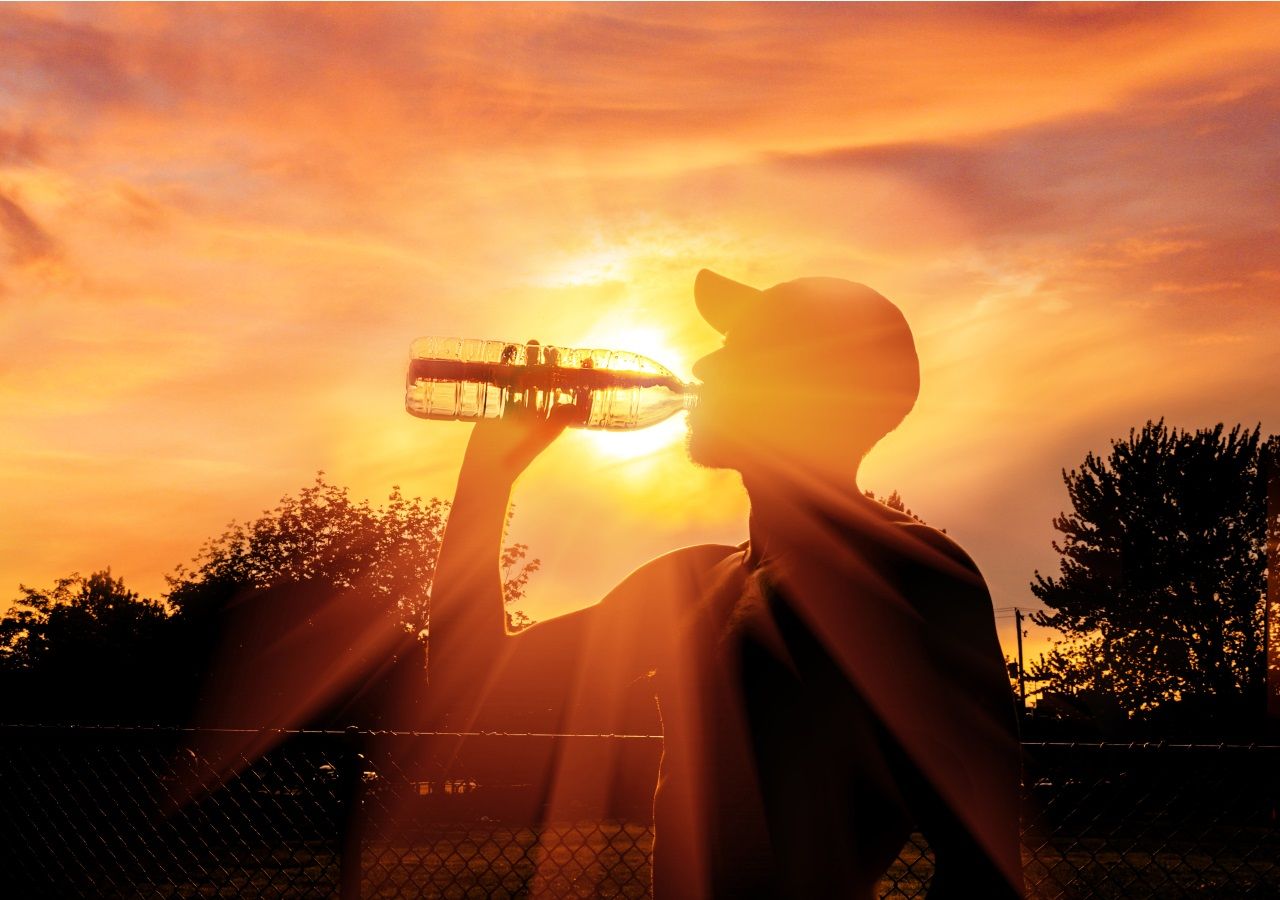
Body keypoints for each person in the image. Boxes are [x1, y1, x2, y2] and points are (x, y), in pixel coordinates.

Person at [426, 270, 1024, 899]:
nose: (705, 363)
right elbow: (469, 688)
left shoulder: (907, 574)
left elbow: (983, 868)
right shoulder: (690, 582)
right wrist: (488, 475)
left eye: (743, 351)